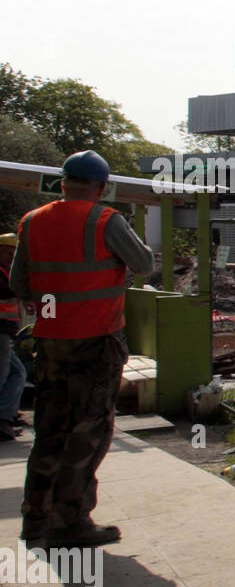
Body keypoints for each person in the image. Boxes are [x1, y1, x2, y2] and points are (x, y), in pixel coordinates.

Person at [9, 150, 154, 546]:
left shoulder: (32, 221)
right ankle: (70, 523)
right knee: (88, 431)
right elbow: (143, 265)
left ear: (62, 181)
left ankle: (36, 520)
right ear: (102, 187)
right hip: (95, 342)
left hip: (51, 340)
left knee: (50, 430)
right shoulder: (105, 220)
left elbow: (20, 284)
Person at [0, 232, 25, 440]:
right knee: (5, 376)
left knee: (17, 374)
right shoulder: (4, 276)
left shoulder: (8, 273)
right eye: (7, 251)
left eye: (13, 252)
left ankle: (6, 416)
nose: (11, 256)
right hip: (1, 333)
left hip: (7, 334)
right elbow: (9, 291)